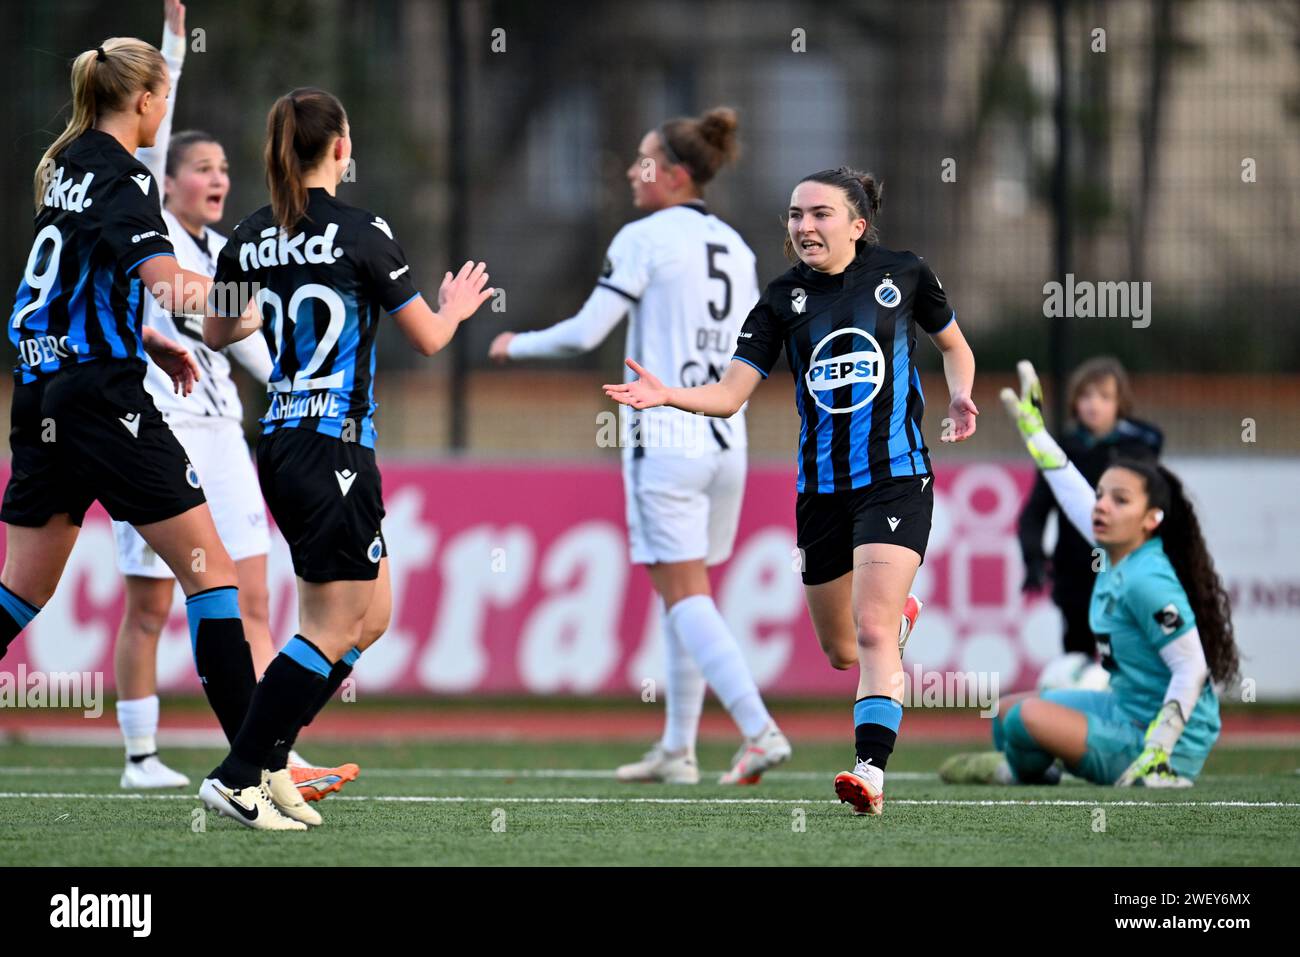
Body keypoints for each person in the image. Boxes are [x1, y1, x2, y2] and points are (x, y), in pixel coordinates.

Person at [604, 167, 977, 814]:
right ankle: (898, 619)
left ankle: (870, 771)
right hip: (821, 492)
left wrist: (963, 391)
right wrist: (667, 395)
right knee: (841, 650)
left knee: (871, 629)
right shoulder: (780, 300)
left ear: (858, 226)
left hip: (895, 480)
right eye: (796, 214)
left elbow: (954, 345)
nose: (804, 225)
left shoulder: (905, 274)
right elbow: (728, 397)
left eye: (820, 214)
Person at [199, 87, 493, 830]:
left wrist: (270, 299)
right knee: (333, 626)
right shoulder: (363, 230)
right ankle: (244, 769)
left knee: (371, 614)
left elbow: (217, 329)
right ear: (340, 148)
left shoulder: (252, 232)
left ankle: (268, 759)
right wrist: (457, 307)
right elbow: (427, 338)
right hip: (334, 446)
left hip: (283, 441)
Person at [490, 108, 792, 784]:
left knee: (683, 591)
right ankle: (678, 748)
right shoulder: (738, 249)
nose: (632, 170)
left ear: (677, 174)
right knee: (685, 592)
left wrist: (516, 343)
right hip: (724, 438)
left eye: (644, 160)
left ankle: (759, 728)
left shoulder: (645, 236)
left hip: (667, 434)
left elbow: (582, 332)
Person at [2, 37, 262, 804]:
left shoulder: (67, 162)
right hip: (102, 402)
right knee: (212, 575)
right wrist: (240, 298)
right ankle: (253, 773)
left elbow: (71, 281)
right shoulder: (122, 177)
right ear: (146, 102)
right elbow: (173, 287)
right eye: (162, 96)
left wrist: (139, 334)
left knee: (20, 591)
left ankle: (242, 765)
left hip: (42, 389)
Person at [110, 0, 295, 791]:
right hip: (160, 428)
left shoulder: (223, 253)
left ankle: (266, 751)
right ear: (169, 180)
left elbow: (249, 344)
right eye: (204, 167)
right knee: (153, 604)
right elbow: (153, 128)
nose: (219, 178)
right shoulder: (146, 216)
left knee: (254, 591)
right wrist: (171, 57)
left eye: (225, 168)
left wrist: (297, 386)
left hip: (222, 433)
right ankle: (140, 756)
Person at [939, 361, 1238, 787]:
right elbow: (1072, 491)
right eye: (1102, 496)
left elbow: (1193, 669)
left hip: (1159, 742)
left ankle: (1027, 770)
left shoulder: (1147, 578)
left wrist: (1160, 750)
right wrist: (1034, 433)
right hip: (1123, 708)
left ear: (1151, 518)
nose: (1101, 505)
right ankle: (1031, 769)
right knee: (1005, 714)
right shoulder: (1119, 552)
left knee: (1024, 718)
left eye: (1119, 500)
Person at [1017, 356, 1162, 667]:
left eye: (1105, 396)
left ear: (1120, 403)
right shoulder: (1064, 452)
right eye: (1085, 395)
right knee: (1076, 660)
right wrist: (1033, 558)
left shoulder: (1137, 451)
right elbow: (1034, 512)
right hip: (1075, 573)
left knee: (1125, 656)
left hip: (1123, 571)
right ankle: (1076, 714)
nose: (1093, 404)